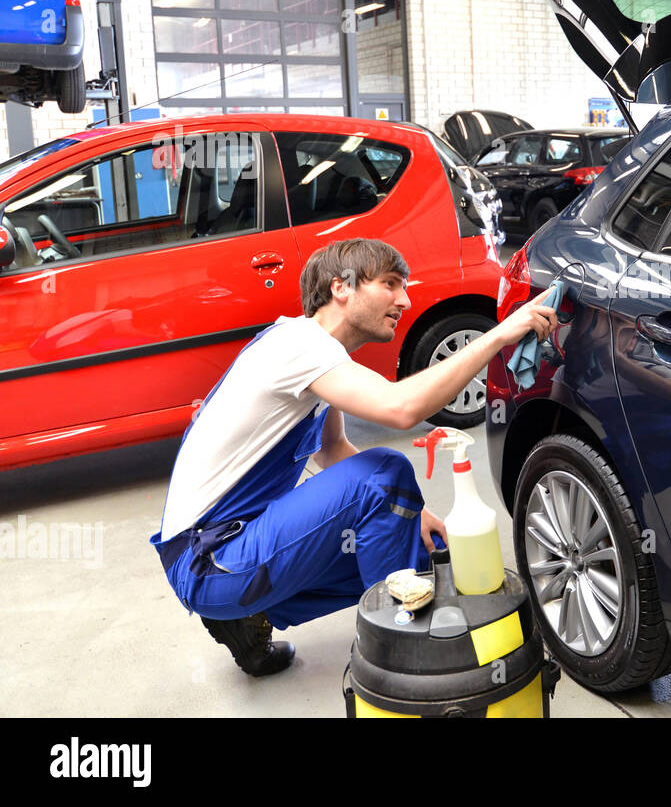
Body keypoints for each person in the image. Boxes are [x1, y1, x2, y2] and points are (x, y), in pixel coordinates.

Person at [149, 238, 557, 676]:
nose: (405, 299)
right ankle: (402, 659)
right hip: (212, 559)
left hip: (225, 550)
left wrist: (411, 513)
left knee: (419, 544)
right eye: (390, 284)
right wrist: (498, 334)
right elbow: (401, 409)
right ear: (341, 288)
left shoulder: (312, 350)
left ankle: (249, 618)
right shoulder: (299, 346)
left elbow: (332, 448)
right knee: (386, 472)